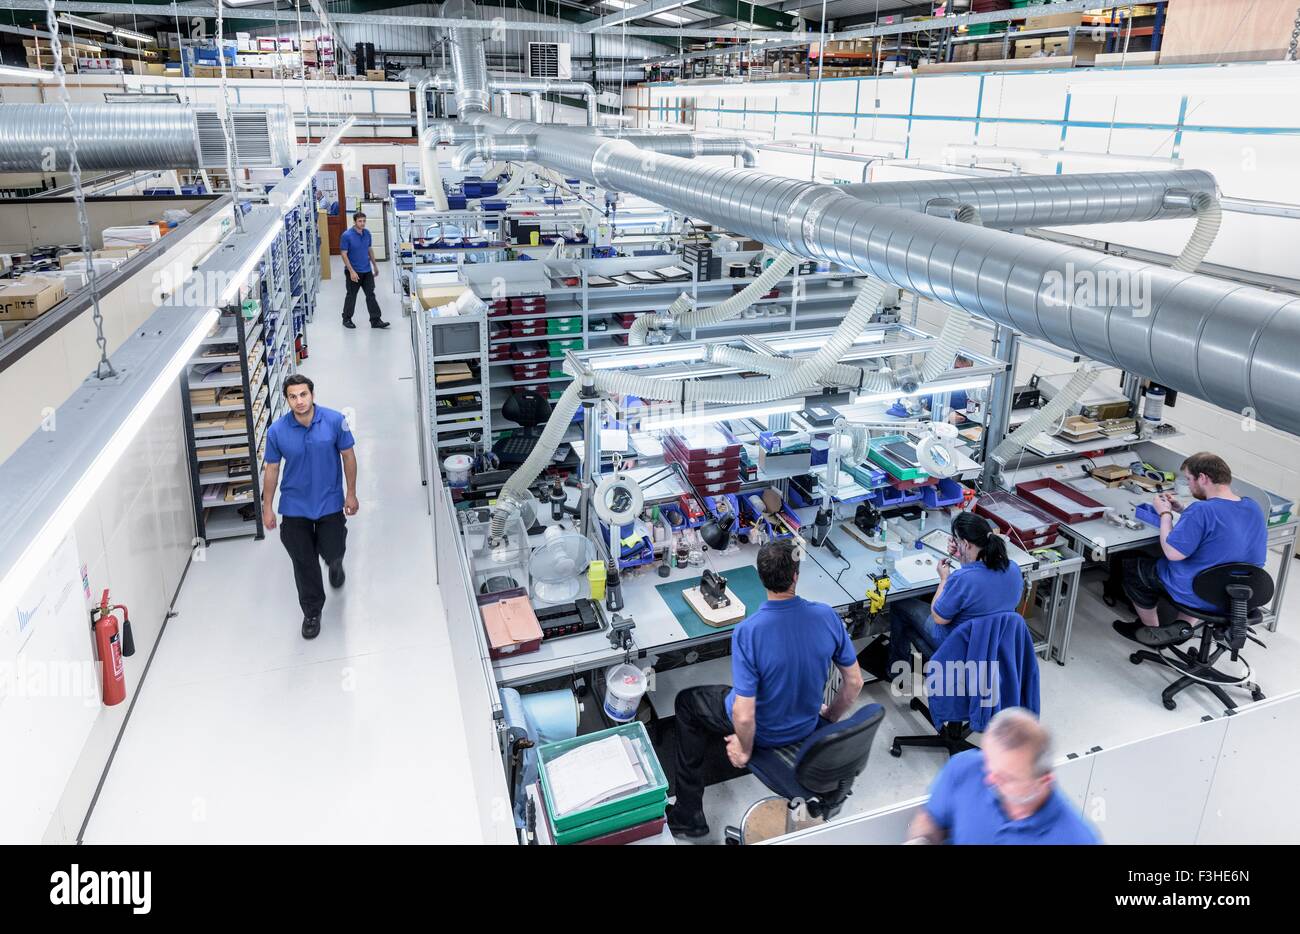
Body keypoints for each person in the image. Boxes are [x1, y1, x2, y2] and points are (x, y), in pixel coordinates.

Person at [667, 540, 864, 839]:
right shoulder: (827, 616)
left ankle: (688, 815)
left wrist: (744, 750)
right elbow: (854, 682)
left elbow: (744, 716)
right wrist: (828, 718)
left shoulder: (749, 631)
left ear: (760, 578)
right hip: (806, 724)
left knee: (687, 703)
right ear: (796, 576)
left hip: (765, 735)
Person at [1114, 452, 1267, 647]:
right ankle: (1182, 628)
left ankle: (1152, 632)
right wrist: (1183, 510)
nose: (1188, 485)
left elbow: (1172, 553)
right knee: (1207, 568)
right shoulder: (1252, 506)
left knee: (1134, 567)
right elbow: (1221, 527)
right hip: (1236, 595)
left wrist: (1165, 513)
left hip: (1200, 592)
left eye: (1188, 479)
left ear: (1202, 478)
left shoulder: (1202, 510)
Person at [905, 708, 1100, 845]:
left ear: (1043, 781)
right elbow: (931, 818)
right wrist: (921, 840)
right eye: (990, 765)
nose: (989, 780)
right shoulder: (967, 767)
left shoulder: (1076, 839)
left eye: (1007, 778)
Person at [261, 375, 359, 639]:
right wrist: (267, 507)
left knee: (333, 547)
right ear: (287, 400)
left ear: (312, 395)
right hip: (294, 505)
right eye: (293, 396)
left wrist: (351, 494)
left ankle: (334, 561)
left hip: (329, 501)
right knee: (303, 561)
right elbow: (272, 469)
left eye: (303, 394)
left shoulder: (335, 421)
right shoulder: (277, 431)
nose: (299, 401)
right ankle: (312, 612)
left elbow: (348, 456)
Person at [883, 512, 1024, 681]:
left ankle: (897, 671)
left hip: (959, 645)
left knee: (900, 605)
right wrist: (963, 555)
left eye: (956, 540)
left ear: (966, 543)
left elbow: (938, 617)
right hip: (992, 644)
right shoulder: (1013, 568)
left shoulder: (963, 579)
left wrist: (944, 579)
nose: (954, 543)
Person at [339, 211, 389, 330]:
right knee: (351, 296)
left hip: (366, 271)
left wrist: (375, 265)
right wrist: (351, 271)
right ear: (354, 222)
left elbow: (369, 249)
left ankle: (375, 320)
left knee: (370, 295)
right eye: (360, 221)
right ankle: (346, 319)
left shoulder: (367, 233)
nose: (362, 223)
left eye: (364, 221)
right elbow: (344, 254)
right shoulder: (347, 235)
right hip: (353, 272)